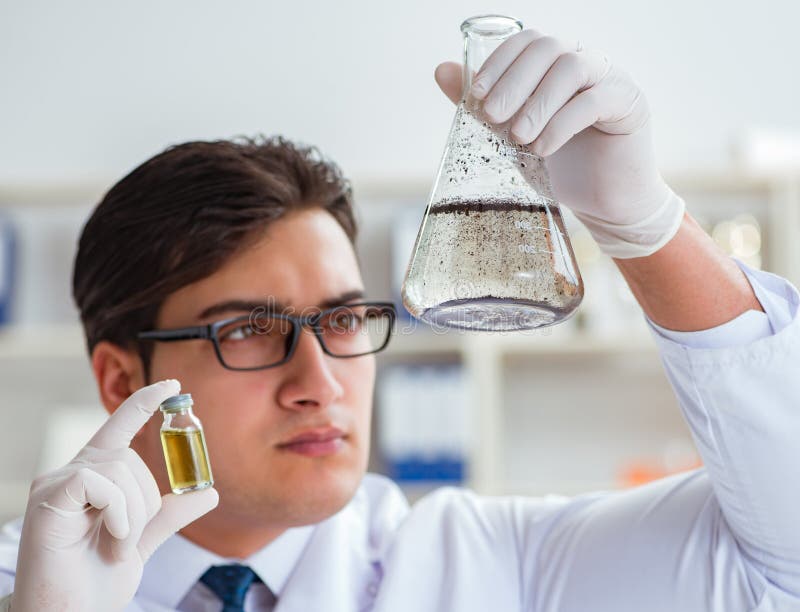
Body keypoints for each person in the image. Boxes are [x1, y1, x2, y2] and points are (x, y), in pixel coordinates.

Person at [0, 27, 798, 612]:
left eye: (344, 322)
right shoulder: (31, 583)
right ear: (119, 378)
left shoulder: (496, 565)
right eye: (248, 331)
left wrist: (645, 225)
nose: (319, 384)